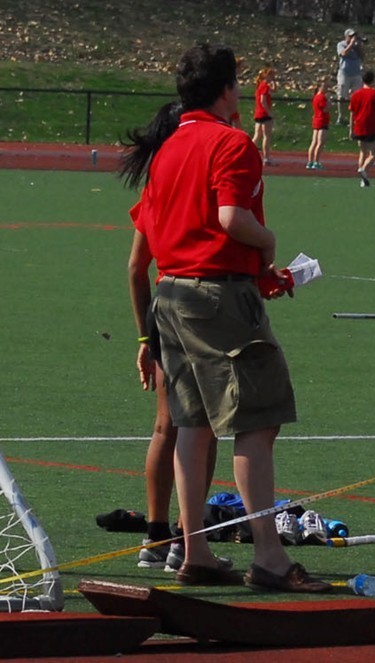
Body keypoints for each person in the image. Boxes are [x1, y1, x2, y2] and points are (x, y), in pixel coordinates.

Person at [125, 42, 329, 592]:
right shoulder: (231, 142)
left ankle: (195, 551)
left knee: (191, 426)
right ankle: (269, 556)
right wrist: (268, 243)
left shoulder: (165, 149)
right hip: (218, 297)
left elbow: (148, 245)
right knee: (256, 421)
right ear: (226, 89)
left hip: (170, 295)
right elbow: (232, 218)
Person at [119, 102, 222, 574]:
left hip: (163, 309)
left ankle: (158, 535)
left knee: (167, 427)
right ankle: (187, 537)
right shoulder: (186, 181)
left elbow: (137, 269)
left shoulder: (158, 182)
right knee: (204, 427)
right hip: (198, 306)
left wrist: (145, 337)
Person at [348, 70, 375, 187]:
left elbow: (352, 113)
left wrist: (351, 129)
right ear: (373, 80)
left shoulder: (356, 94)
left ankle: (363, 179)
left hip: (359, 127)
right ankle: (363, 169)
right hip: (373, 127)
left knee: (363, 152)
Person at [335, 28, 364, 124]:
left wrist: (358, 46)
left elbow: (362, 56)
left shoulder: (356, 46)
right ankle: (341, 117)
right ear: (346, 37)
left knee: (357, 97)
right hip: (344, 73)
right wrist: (351, 45)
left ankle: (356, 117)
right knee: (342, 96)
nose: (353, 38)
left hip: (356, 74)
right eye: (351, 36)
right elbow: (343, 53)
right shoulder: (341, 44)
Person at [251, 67, 274, 165]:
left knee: (257, 135)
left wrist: (274, 82)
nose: (273, 77)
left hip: (258, 113)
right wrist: (269, 112)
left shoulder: (261, 85)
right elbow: (263, 100)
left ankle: (247, 153)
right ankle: (266, 158)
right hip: (264, 114)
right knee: (266, 136)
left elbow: (274, 90)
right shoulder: (264, 85)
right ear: (267, 76)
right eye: (272, 75)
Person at [306, 80, 329, 170]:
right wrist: (329, 105)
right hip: (322, 121)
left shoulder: (315, 97)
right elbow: (324, 109)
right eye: (325, 87)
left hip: (316, 120)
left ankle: (310, 161)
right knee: (320, 142)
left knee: (314, 142)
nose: (326, 88)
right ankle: (316, 161)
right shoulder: (321, 97)